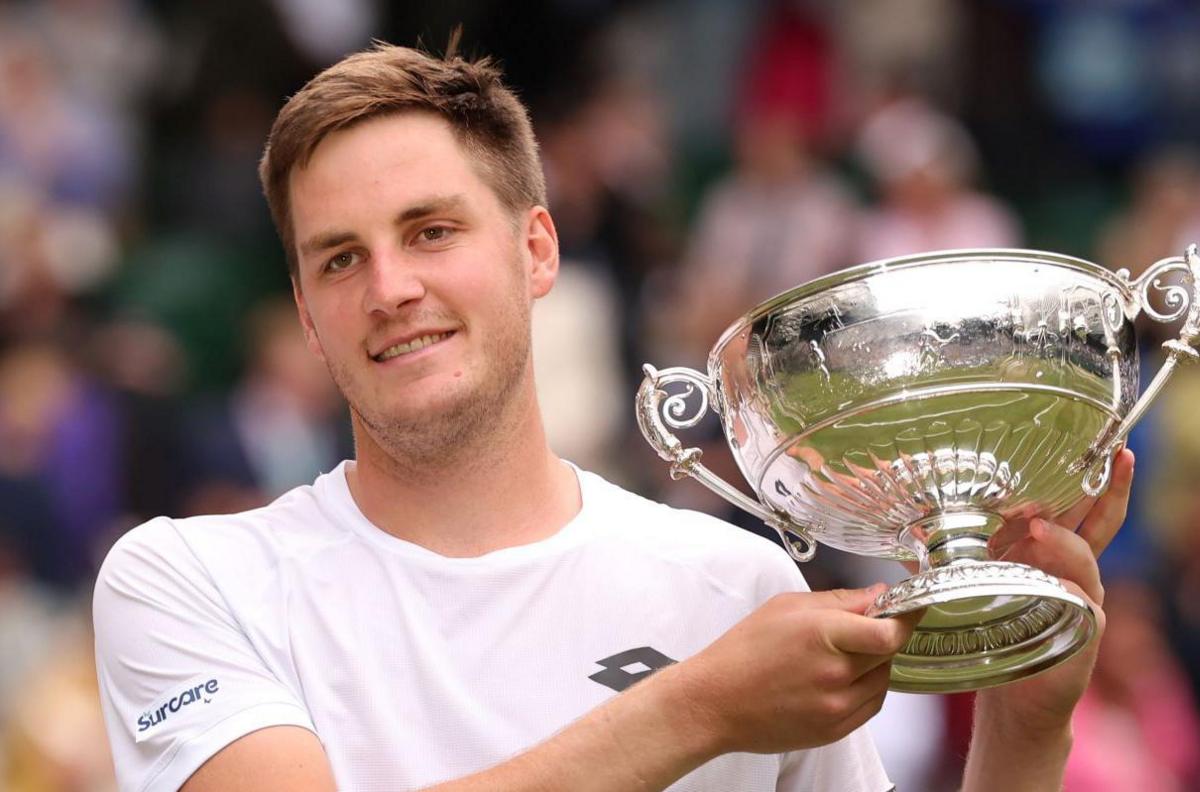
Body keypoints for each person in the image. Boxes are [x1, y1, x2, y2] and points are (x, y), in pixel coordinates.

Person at [92, 40, 1133, 792]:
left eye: (432, 230)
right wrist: (696, 710)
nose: (391, 286)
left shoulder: (736, 590)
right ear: (307, 319)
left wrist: (1025, 731)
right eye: (340, 258)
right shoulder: (190, 581)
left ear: (536, 250)